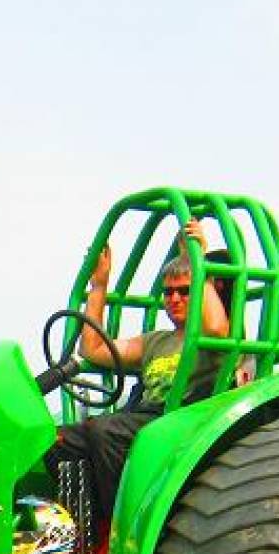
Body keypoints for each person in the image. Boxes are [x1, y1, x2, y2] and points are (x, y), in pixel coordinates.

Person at [50, 221, 233, 517]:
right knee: (55, 441)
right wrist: (99, 285)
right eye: (168, 292)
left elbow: (216, 326)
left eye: (185, 291)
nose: (174, 299)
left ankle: (120, 528)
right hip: (144, 419)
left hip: (181, 419)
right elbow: (92, 349)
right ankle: (81, 533)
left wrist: (200, 262)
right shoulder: (156, 341)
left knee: (105, 431)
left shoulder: (213, 339)